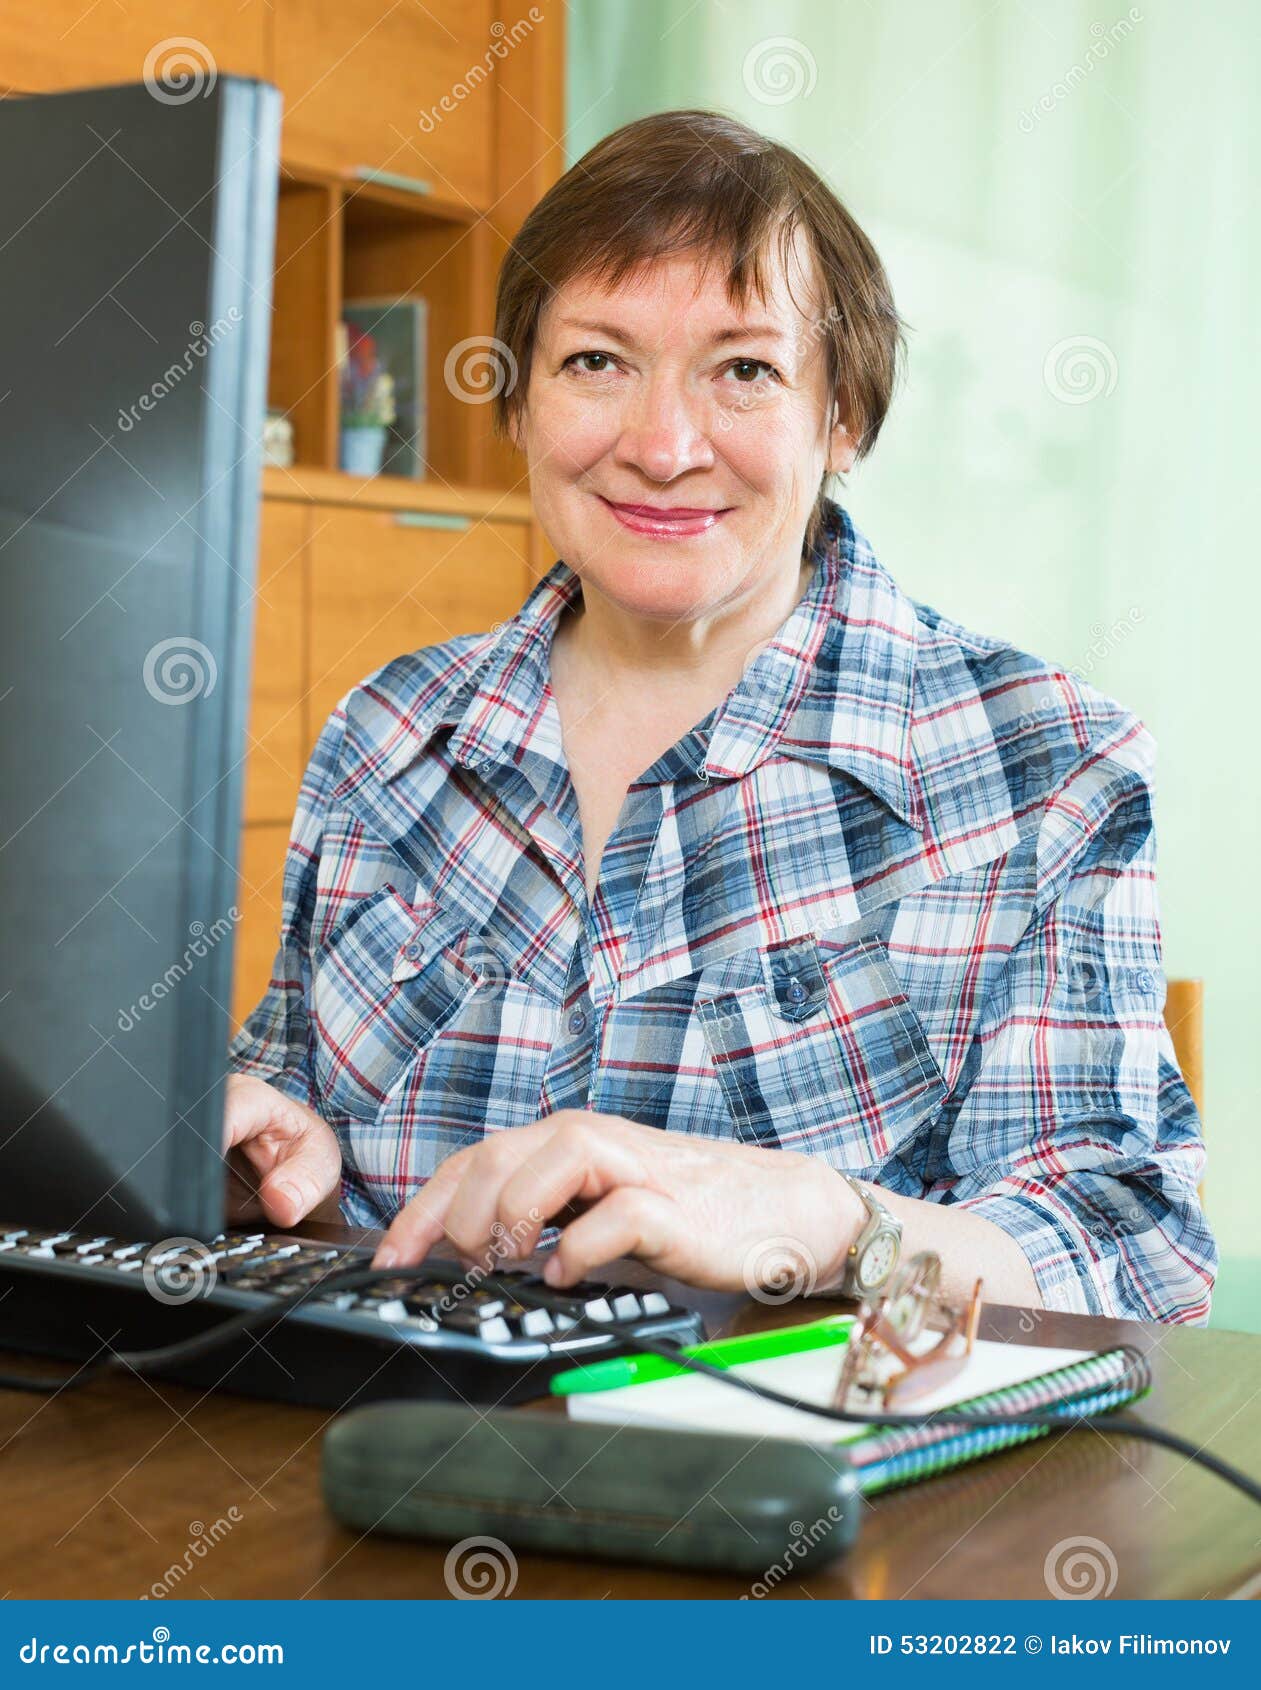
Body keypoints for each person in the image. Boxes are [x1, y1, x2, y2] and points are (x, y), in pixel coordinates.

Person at [226, 109, 1215, 1323]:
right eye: (596, 361)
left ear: (840, 416)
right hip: (375, 1463)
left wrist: (822, 1219)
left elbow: (1127, 1256)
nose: (662, 444)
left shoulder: (1048, 763)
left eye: (744, 369)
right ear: (520, 402)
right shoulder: (386, 734)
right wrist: (266, 1149)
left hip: (817, 1494)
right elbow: (285, 1095)